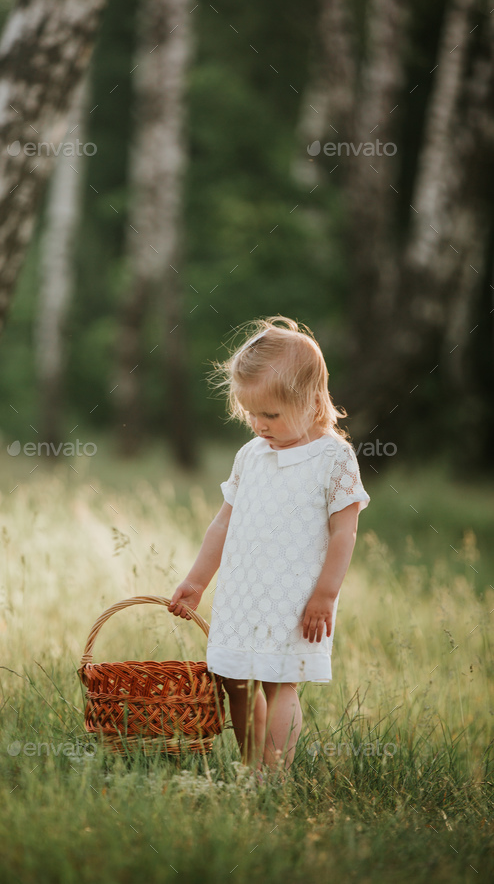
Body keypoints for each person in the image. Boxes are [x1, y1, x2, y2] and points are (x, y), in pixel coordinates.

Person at [168, 316, 370, 776]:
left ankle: (272, 773)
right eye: (250, 414)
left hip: (298, 596)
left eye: (271, 415)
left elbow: (345, 532)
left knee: (281, 682)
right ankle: (248, 765)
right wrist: (197, 581)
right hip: (243, 593)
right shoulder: (251, 455)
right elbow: (223, 523)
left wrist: (325, 595)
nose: (258, 425)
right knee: (234, 678)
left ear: (313, 400)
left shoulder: (333, 458)